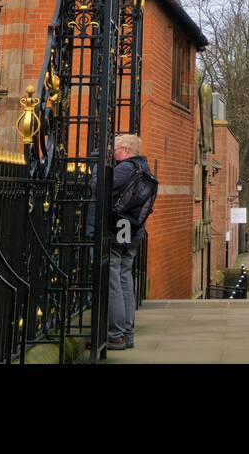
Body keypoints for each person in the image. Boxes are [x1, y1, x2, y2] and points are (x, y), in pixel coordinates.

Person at [105, 134, 158, 351]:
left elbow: (99, 186)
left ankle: (115, 334)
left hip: (116, 228)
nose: (112, 153)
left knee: (113, 277)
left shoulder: (126, 168)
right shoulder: (144, 169)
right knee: (125, 277)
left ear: (125, 150)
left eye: (114, 149)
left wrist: (100, 164)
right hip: (132, 230)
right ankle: (127, 333)